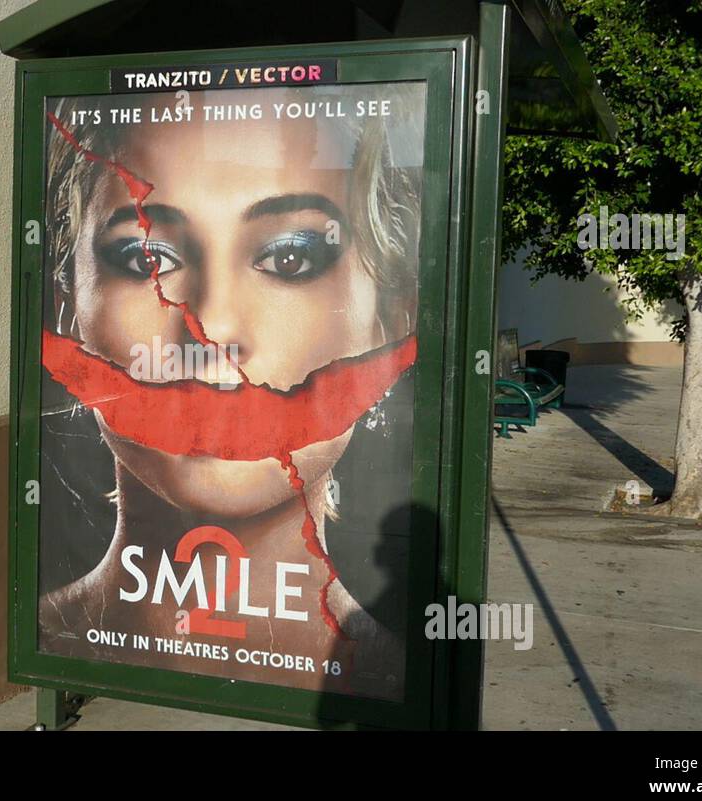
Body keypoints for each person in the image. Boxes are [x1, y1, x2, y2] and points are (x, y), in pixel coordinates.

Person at [37, 83, 423, 701]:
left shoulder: (404, 678)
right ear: (66, 310)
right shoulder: (44, 635)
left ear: (393, 318)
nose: (210, 328)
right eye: (146, 258)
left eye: (290, 257)